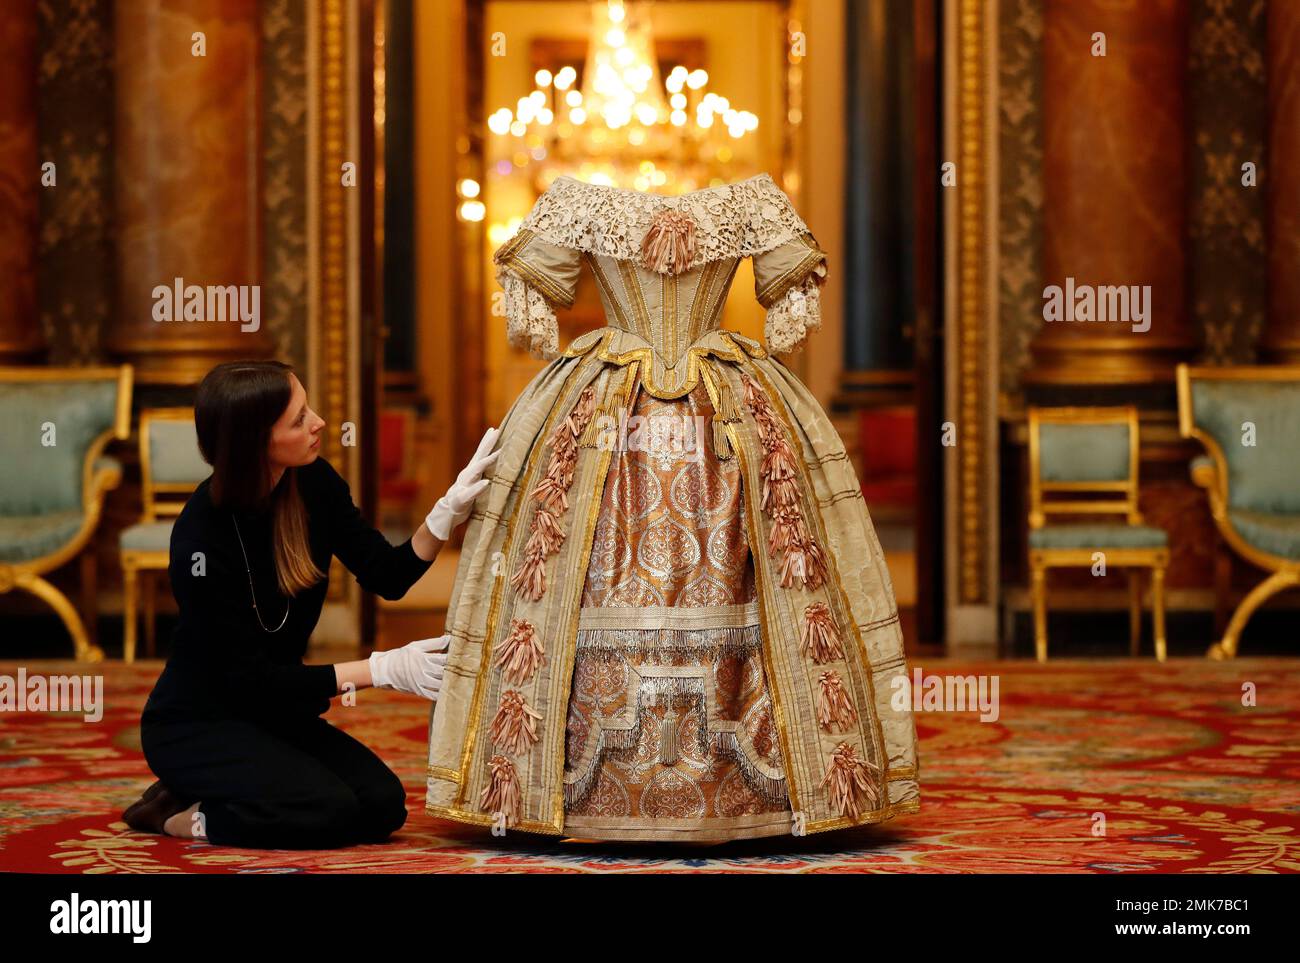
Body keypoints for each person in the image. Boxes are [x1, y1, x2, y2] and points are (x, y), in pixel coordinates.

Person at [122, 359, 500, 849]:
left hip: (272, 711)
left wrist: (446, 513)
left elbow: (387, 576)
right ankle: (179, 815)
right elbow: (248, 681)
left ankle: (230, 790)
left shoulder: (314, 483)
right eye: (299, 419)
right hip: (198, 722)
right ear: (256, 442)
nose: (319, 422)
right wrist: (378, 670)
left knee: (381, 804)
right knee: (325, 808)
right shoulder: (200, 538)